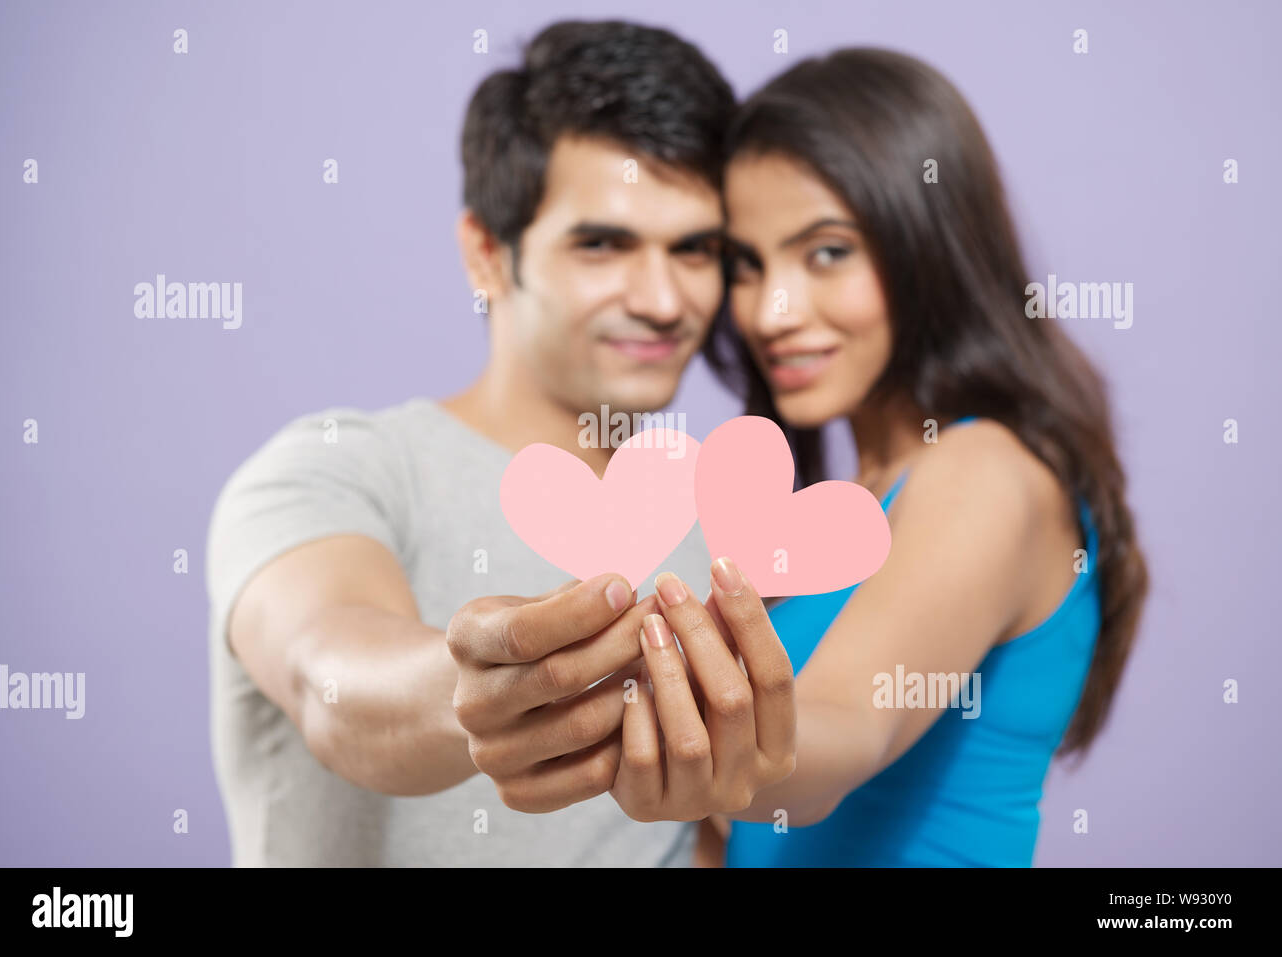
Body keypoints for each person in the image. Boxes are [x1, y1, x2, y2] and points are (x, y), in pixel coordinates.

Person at [203, 19, 762, 866]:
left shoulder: (721, 528)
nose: (661, 298)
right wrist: (485, 687)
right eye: (604, 244)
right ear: (486, 253)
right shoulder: (335, 468)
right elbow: (331, 680)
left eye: (694, 250)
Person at [592, 47, 1150, 866]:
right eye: (748, 264)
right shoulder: (855, 500)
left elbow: (849, 725)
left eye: (827, 252)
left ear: (930, 242)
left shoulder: (984, 471)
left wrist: (661, 735)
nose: (772, 312)